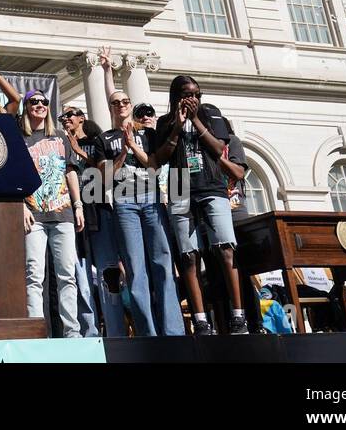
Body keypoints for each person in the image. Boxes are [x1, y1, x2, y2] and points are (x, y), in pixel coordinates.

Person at [154, 75, 249, 335]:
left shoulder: (210, 114)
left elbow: (219, 148)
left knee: (226, 248)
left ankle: (238, 316)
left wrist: (195, 120)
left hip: (211, 186)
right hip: (179, 189)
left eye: (197, 93)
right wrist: (177, 127)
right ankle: (200, 319)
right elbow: (159, 159)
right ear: (176, 97)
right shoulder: (164, 122)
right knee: (188, 256)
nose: (193, 98)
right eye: (187, 94)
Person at [99, 50, 184, 337]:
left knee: (162, 263)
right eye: (116, 103)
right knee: (136, 270)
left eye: (126, 101)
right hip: (124, 203)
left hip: (150, 200)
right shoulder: (106, 138)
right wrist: (107, 71)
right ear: (110, 108)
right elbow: (104, 177)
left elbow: (154, 163)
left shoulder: (148, 132)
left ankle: (172, 331)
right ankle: (147, 333)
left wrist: (133, 145)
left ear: (130, 106)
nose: (121, 104)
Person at [20, 91, 84, 336]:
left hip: (63, 213)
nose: (39, 105)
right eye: (34, 102)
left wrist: (78, 205)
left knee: (67, 273)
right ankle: (36, 330)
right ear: (26, 107)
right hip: (33, 215)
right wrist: (20, 206)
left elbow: (70, 172)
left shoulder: (60, 136)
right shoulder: (19, 138)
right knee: (34, 274)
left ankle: (72, 331)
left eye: (44, 102)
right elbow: (13, 176)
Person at [60, 103, 104, 337]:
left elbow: (105, 171)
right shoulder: (59, 142)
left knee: (107, 273)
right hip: (73, 216)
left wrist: (80, 151)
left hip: (98, 212)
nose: (65, 119)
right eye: (62, 116)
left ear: (81, 118)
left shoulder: (96, 141)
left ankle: (113, 325)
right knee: (80, 276)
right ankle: (90, 330)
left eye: (69, 115)